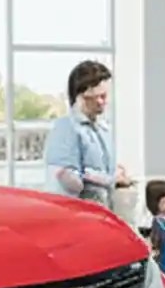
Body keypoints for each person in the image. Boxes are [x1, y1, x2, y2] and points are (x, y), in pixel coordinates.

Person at [43, 60, 132, 207]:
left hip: (102, 209)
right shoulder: (66, 128)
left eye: (104, 96)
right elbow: (67, 178)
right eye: (96, 97)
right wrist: (109, 180)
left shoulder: (102, 129)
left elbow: (98, 169)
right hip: (76, 211)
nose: (101, 102)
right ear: (80, 97)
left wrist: (116, 174)